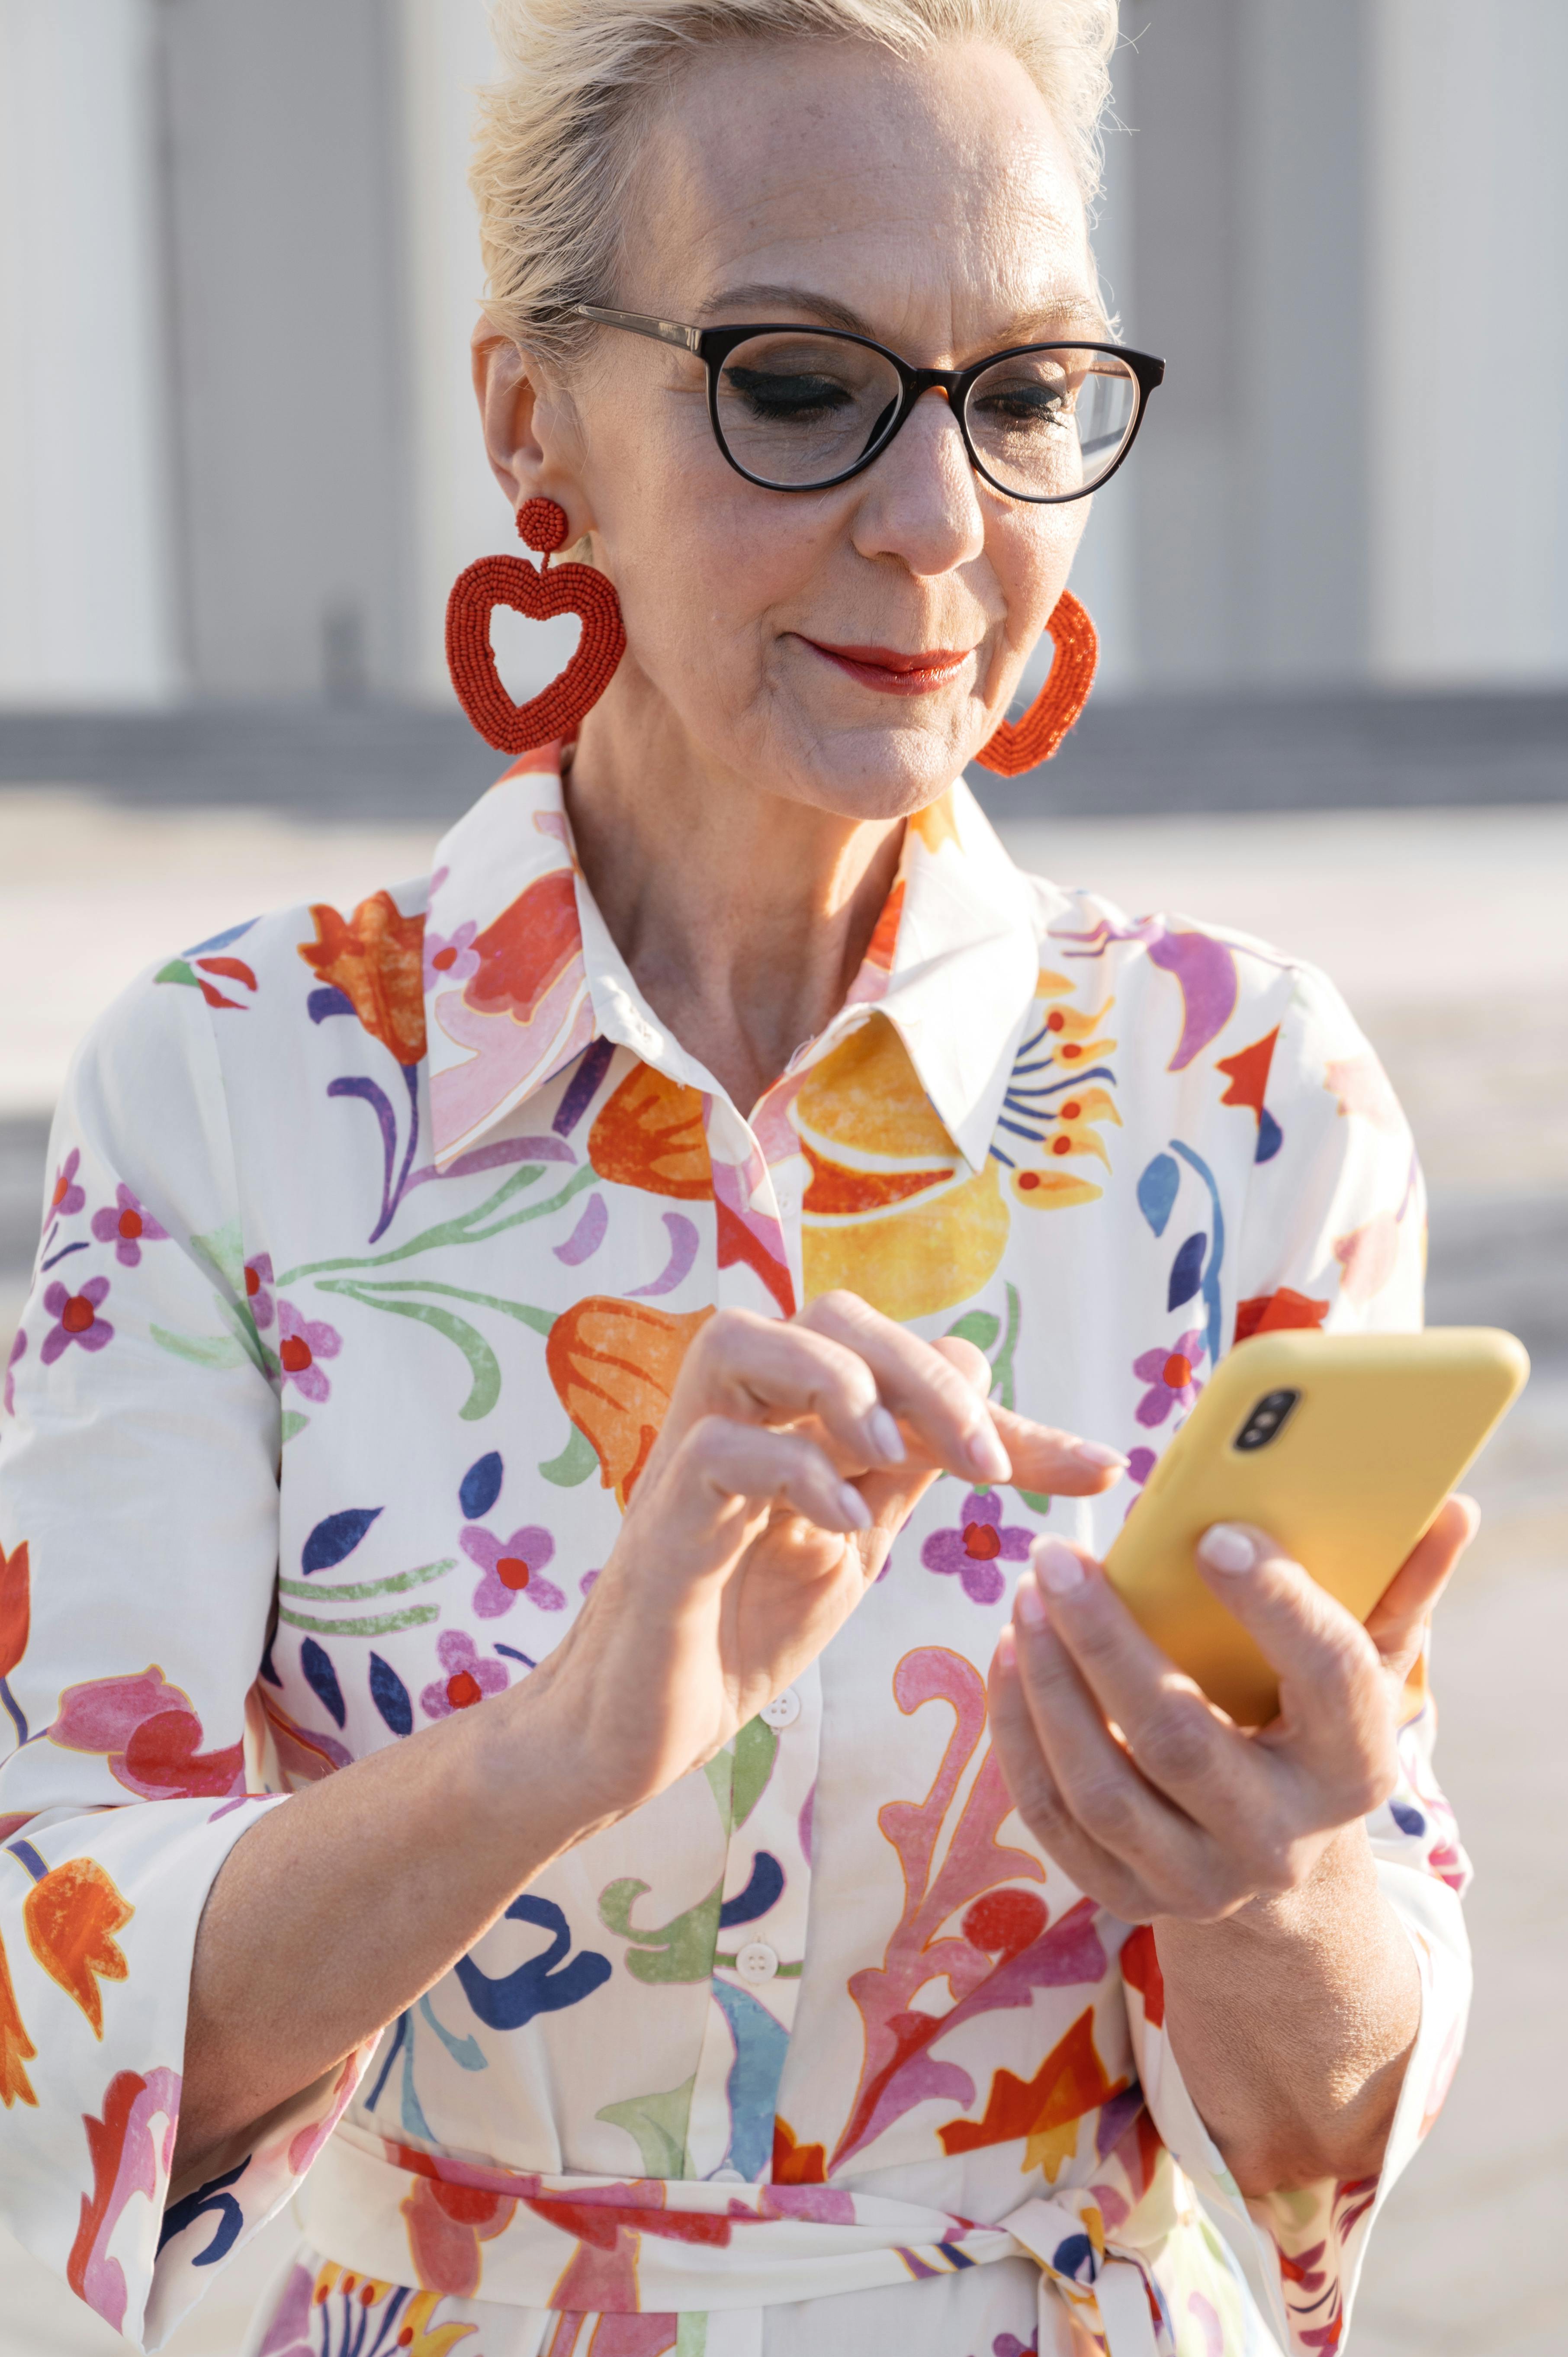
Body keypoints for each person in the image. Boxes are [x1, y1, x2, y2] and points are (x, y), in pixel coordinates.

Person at [0, 6, 1473, 2354]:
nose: (935, 521)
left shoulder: (1251, 1097)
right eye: (798, 385)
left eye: (1020, 393)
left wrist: (1275, 1887)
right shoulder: (226, 1087)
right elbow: (63, 2005)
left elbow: (1312, 2152)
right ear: (529, 428)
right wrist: (556, 1747)